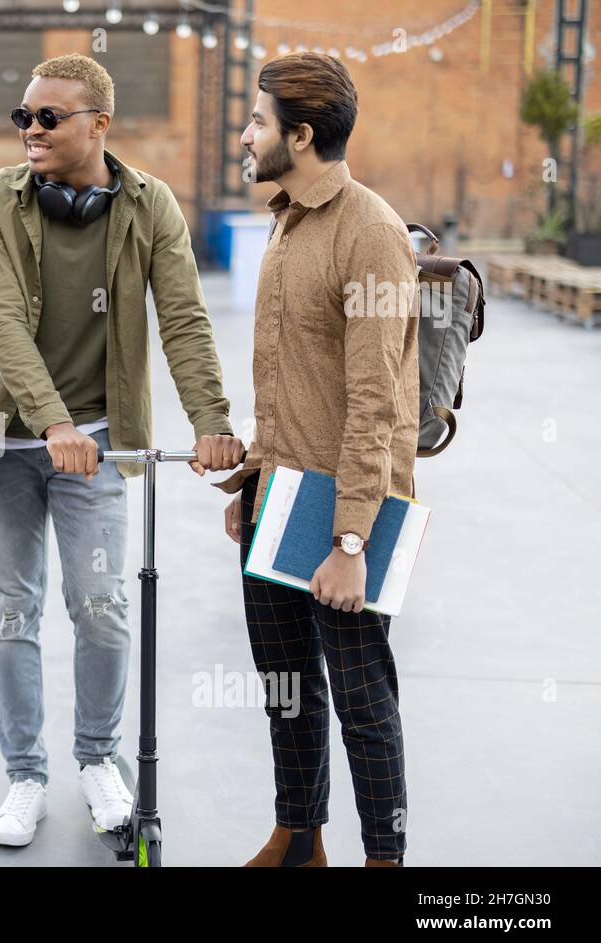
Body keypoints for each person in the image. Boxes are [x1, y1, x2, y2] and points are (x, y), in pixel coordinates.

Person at [0, 53, 243, 848]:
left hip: (103, 439)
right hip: (8, 435)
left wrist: (210, 417)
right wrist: (51, 423)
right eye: (23, 116)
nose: (31, 131)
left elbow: (183, 317)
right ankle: (24, 775)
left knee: (105, 607)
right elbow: (4, 320)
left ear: (98, 125)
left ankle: (96, 760)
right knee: (13, 605)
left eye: (49, 117)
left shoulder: (150, 206)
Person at [218, 52, 419, 867]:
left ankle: (384, 860)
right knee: (287, 688)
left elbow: (378, 401)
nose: (246, 132)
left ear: (300, 135)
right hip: (282, 490)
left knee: (362, 700)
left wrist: (350, 542)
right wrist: (254, 480)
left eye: (258, 120)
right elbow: (285, 374)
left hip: (349, 507)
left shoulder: (369, 233)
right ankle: (299, 837)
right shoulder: (286, 218)